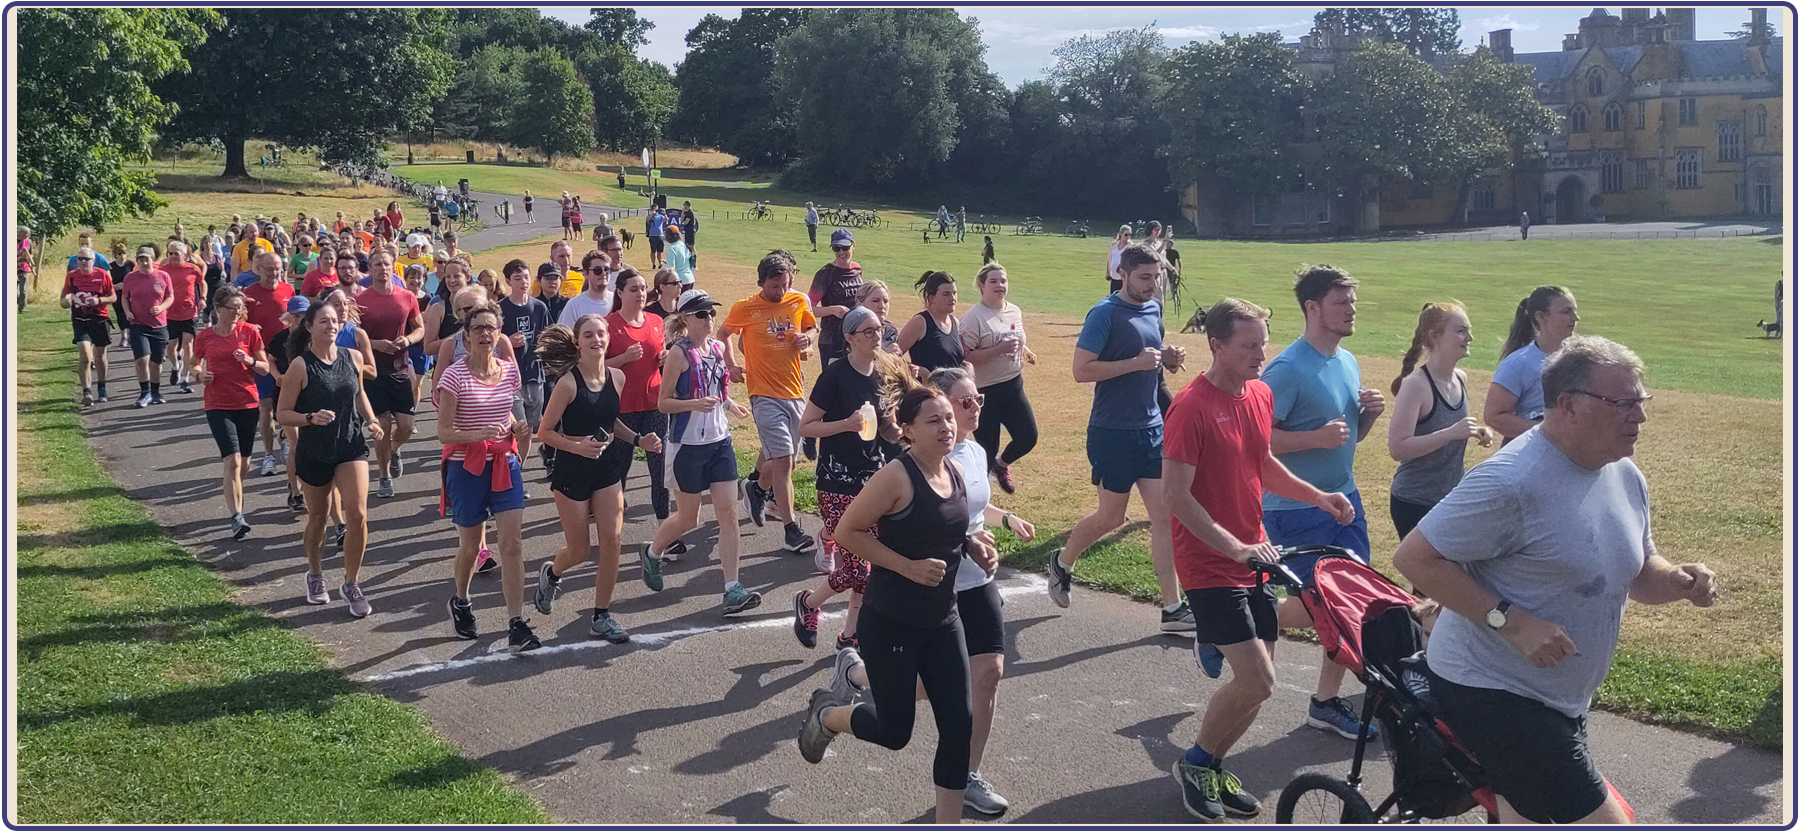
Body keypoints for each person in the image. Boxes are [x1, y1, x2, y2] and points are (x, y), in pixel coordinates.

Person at [1394, 335, 1714, 825]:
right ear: (1569, 406)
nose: (1640, 416)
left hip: (1561, 696)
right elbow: (1415, 558)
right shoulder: (1510, 480)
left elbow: (1638, 570)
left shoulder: (1623, 473)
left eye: (1641, 400)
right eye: (1623, 403)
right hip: (1491, 690)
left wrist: (1676, 580)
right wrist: (1511, 621)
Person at [1162, 298, 1359, 821]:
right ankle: (1195, 764)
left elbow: (1263, 461)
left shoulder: (1260, 394)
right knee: (1259, 681)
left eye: (1264, 343)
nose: (1261, 354)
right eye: (1249, 345)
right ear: (1216, 345)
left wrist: (1317, 496)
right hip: (1210, 563)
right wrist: (1234, 546)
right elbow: (1177, 496)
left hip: (1255, 558)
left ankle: (1211, 763)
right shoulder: (1191, 408)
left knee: (1259, 681)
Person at [796, 386, 1000, 826]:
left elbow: (945, 529)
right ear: (907, 430)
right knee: (895, 732)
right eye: (934, 420)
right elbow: (848, 532)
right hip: (892, 622)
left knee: (958, 726)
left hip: (943, 620)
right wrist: (906, 567)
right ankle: (828, 715)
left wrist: (973, 546)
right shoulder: (896, 476)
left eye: (948, 418)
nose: (946, 427)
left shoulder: (954, 471)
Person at [1248, 264, 1385, 742]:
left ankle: (1325, 703)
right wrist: (1314, 437)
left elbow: (1345, 441)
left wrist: (1368, 417)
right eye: (1341, 302)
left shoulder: (1346, 361)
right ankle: (1243, 618)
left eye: (1352, 301)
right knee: (1321, 606)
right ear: (1312, 307)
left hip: (1345, 499)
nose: (1351, 310)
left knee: (1351, 605)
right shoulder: (1287, 369)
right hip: (1295, 507)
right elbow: (1256, 441)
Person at [1049, 243, 1193, 632]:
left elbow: (1152, 362)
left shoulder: (1154, 309)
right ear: (1122, 274)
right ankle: (1062, 561)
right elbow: (1081, 370)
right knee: (1112, 517)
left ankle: (1172, 608)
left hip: (1151, 430)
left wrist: (1167, 358)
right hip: (1112, 431)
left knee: (1165, 516)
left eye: (1157, 277)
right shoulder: (1104, 313)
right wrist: (1135, 363)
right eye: (1144, 277)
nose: (1152, 285)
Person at [927, 366, 1037, 815]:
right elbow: (926, 521)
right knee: (926, 684)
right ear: (941, 406)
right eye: (966, 401)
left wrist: (1006, 517)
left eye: (979, 400)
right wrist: (966, 541)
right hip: (937, 582)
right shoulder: (926, 460)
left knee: (989, 673)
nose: (975, 408)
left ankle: (967, 775)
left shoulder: (975, 451)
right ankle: (857, 678)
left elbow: (976, 505)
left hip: (978, 581)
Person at [531, 316, 660, 643]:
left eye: (601, 334)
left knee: (612, 542)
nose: (596, 340)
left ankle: (601, 616)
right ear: (578, 342)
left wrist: (638, 440)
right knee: (579, 550)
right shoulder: (567, 384)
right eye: (588, 335)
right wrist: (577, 446)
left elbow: (610, 420)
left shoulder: (617, 377)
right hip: (572, 470)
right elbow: (545, 432)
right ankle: (552, 573)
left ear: (607, 338)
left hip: (606, 468)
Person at [640, 289, 763, 616]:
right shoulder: (678, 354)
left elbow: (717, 389)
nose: (709, 319)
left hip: (720, 443)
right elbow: (663, 403)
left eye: (711, 313)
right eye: (701, 314)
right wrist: (694, 404)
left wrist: (729, 404)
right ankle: (652, 553)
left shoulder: (718, 348)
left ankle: (732, 588)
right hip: (687, 446)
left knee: (728, 513)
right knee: (689, 518)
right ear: (685, 318)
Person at [792, 307, 904, 648]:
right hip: (836, 481)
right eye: (869, 331)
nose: (877, 336)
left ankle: (850, 635)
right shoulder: (835, 376)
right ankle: (809, 602)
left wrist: (903, 433)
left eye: (879, 329)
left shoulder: (883, 373)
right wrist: (846, 425)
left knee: (868, 565)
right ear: (850, 338)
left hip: (874, 480)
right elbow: (806, 426)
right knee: (857, 569)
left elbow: (886, 426)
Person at [438, 301, 541, 650]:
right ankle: (461, 600)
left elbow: (505, 414)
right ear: (466, 336)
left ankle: (516, 623)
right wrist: (478, 434)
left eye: (490, 328)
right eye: (477, 328)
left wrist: (518, 427)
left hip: (504, 463)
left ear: (499, 334)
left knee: (512, 545)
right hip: (466, 467)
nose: (485, 334)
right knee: (470, 547)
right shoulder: (454, 377)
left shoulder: (509, 371)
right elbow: (444, 432)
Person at [275, 300, 382, 618]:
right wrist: (309, 418)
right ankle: (315, 573)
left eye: (335, 320)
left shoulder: (353, 357)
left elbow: (359, 394)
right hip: (315, 450)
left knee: (358, 514)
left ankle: (352, 583)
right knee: (319, 517)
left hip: (350, 445)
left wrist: (372, 420)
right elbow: (283, 413)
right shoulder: (300, 366)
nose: (331, 325)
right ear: (309, 327)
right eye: (324, 321)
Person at [721, 252, 821, 554]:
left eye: (785, 285)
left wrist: (808, 339)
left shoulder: (798, 301)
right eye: (774, 286)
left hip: (794, 391)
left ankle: (757, 488)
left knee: (784, 459)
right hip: (763, 394)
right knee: (784, 461)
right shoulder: (745, 307)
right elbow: (723, 334)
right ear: (761, 282)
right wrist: (731, 365)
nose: (780, 291)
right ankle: (791, 530)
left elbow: (812, 327)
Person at [1387, 302, 1496, 538]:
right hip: (1414, 503)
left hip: (1450, 499)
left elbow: (1446, 427)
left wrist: (1475, 430)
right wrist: (1450, 434)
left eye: (1469, 330)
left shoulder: (1460, 378)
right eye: (1461, 331)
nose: (1470, 337)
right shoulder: (1415, 385)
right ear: (1434, 337)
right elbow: (1398, 448)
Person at [194, 286, 271, 539]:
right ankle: (237, 516)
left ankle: (231, 486)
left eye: (241, 308)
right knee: (233, 461)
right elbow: (193, 363)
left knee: (243, 463)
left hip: (247, 402)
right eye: (233, 308)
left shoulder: (249, 332)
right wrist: (199, 375)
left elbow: (264, 368)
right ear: (218, 309)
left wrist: (249, 360)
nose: (238, 312)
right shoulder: (205, 337)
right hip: (217, 403)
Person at [959, 264, 1037, 494]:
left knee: (1027, 437)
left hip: (1013, 385)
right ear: (981, 286)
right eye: (993, 281)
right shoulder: (973, 318)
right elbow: (966, 357)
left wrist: (1025, 351)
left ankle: (1001, 466)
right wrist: (998, 350)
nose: (999, 285)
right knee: (987, 449)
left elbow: (1014, 337)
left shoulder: (1014, 311)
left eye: (1003, 280)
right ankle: (977, 497)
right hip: (986, 392)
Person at [356, 249, 426, 500]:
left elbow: (420, 328)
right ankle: (384, 476)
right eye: (377, 264)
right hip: (373, 372)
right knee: (383, 424)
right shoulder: (360, 300)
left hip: (400, 369)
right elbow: (353, 337)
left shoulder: (406, 296)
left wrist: (407, 340)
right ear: (370, 268)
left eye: (386, 264)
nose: (382, 268)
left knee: (406, 426)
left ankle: (393, 450)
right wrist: (375, 345)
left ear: (393, 266)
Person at [606, 269, 671, 524]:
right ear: (620, 293)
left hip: (654, 403)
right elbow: (595, 366)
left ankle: (665, 526)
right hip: (623, 407)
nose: (640, 294)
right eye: (633, 289)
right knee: (620, 466)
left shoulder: (655, 321)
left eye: (643, 289)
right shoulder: (608, 325)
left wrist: (663, 357)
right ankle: (612, 523)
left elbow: (660, 353)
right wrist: (623, 358)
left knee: (660, 465)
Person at [1485, 286, 1580, 444]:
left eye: (1574, 311)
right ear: (1541, 317)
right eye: (1566, 312)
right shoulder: (1518, 363)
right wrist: (1549, 433)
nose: (1575, 318)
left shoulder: (1581, 358)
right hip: (1532, 450)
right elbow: (1494, 416)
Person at [242, 251, 295, 477]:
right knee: (265, 407)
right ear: (259, 269)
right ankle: (268, 455)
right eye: (269, 269)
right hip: (261, 357)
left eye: (277, 269)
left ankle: (285, 436)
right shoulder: (249, 294)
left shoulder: (288, 290)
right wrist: (250, 329)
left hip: (286, 357)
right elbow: (240, 324)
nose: (273, 273)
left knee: (289, 404)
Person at [499, 260, 550, 469]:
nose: (523, 282)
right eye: (517, 278)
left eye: (526, 277)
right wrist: (507, 342)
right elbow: (489, 342)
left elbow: (547, 336)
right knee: (517, 427)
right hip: (510, 378)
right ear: (508, 281)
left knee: (529, 429)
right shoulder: (501, 309)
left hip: (535, 375)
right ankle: (507, 470)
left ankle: (517, 470)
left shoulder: (539, 307)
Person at [62, 247, 117, 405]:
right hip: (80, 320)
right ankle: (86, 391)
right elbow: (64, 298)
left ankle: (101, 386)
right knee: (85, 355)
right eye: (80, 259)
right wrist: (66, 301)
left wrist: (99, 300)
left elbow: (113, 297)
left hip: (99, 319)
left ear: (93, 261)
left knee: (100, 356)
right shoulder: (72, 276)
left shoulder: (102, 275)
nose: (83, 262)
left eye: (86, 259)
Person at [121, 246, 174, 408]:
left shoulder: (163, 276)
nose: (144, 263)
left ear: (153, 260)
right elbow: (124, 297)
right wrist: (127, 312)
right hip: (138, 324)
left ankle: (155, 392)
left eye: (147, 259)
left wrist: (162, 307)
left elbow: (170, 296)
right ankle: (145, 392)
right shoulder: (130, 278)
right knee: (142, 359)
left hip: (159, 325)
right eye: (141, 260)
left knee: (156, 362)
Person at [809, 229, 863, 369]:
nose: (841, 252)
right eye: (836, 248)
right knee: (832, 379)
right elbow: (808, 308)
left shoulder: (857, 269)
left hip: (854, 336)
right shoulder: (825, 274)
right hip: (831, 339)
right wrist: (833, 310)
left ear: (853, 246)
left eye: (845, 247)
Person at [899, 271, 968, 377]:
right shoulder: (920, 322)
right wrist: (921, 372)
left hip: (951, 387)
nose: (952, 298)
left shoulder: (955, 322)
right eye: (946, 294)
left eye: (954, 293)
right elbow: (892, 357)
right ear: (931, 298)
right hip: (926, 387)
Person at [161, 241, 206, 394]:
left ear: (185, 255)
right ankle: (175, 367)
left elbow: (202, 283)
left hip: (189, 312)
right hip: (170, 313)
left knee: (188, 346)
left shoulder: (192, 268)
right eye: (170, 253)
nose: (173, 256)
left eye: (176, 253)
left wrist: (202, 298)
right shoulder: (163, 270)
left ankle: (185, 379)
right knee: (171, 347)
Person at [557, 254, 615, 327]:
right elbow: (562, 332)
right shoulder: (574, 305)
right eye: (597, 270)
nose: (603, 273)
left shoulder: (619, 300)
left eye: (606, 270)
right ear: (586, 274)